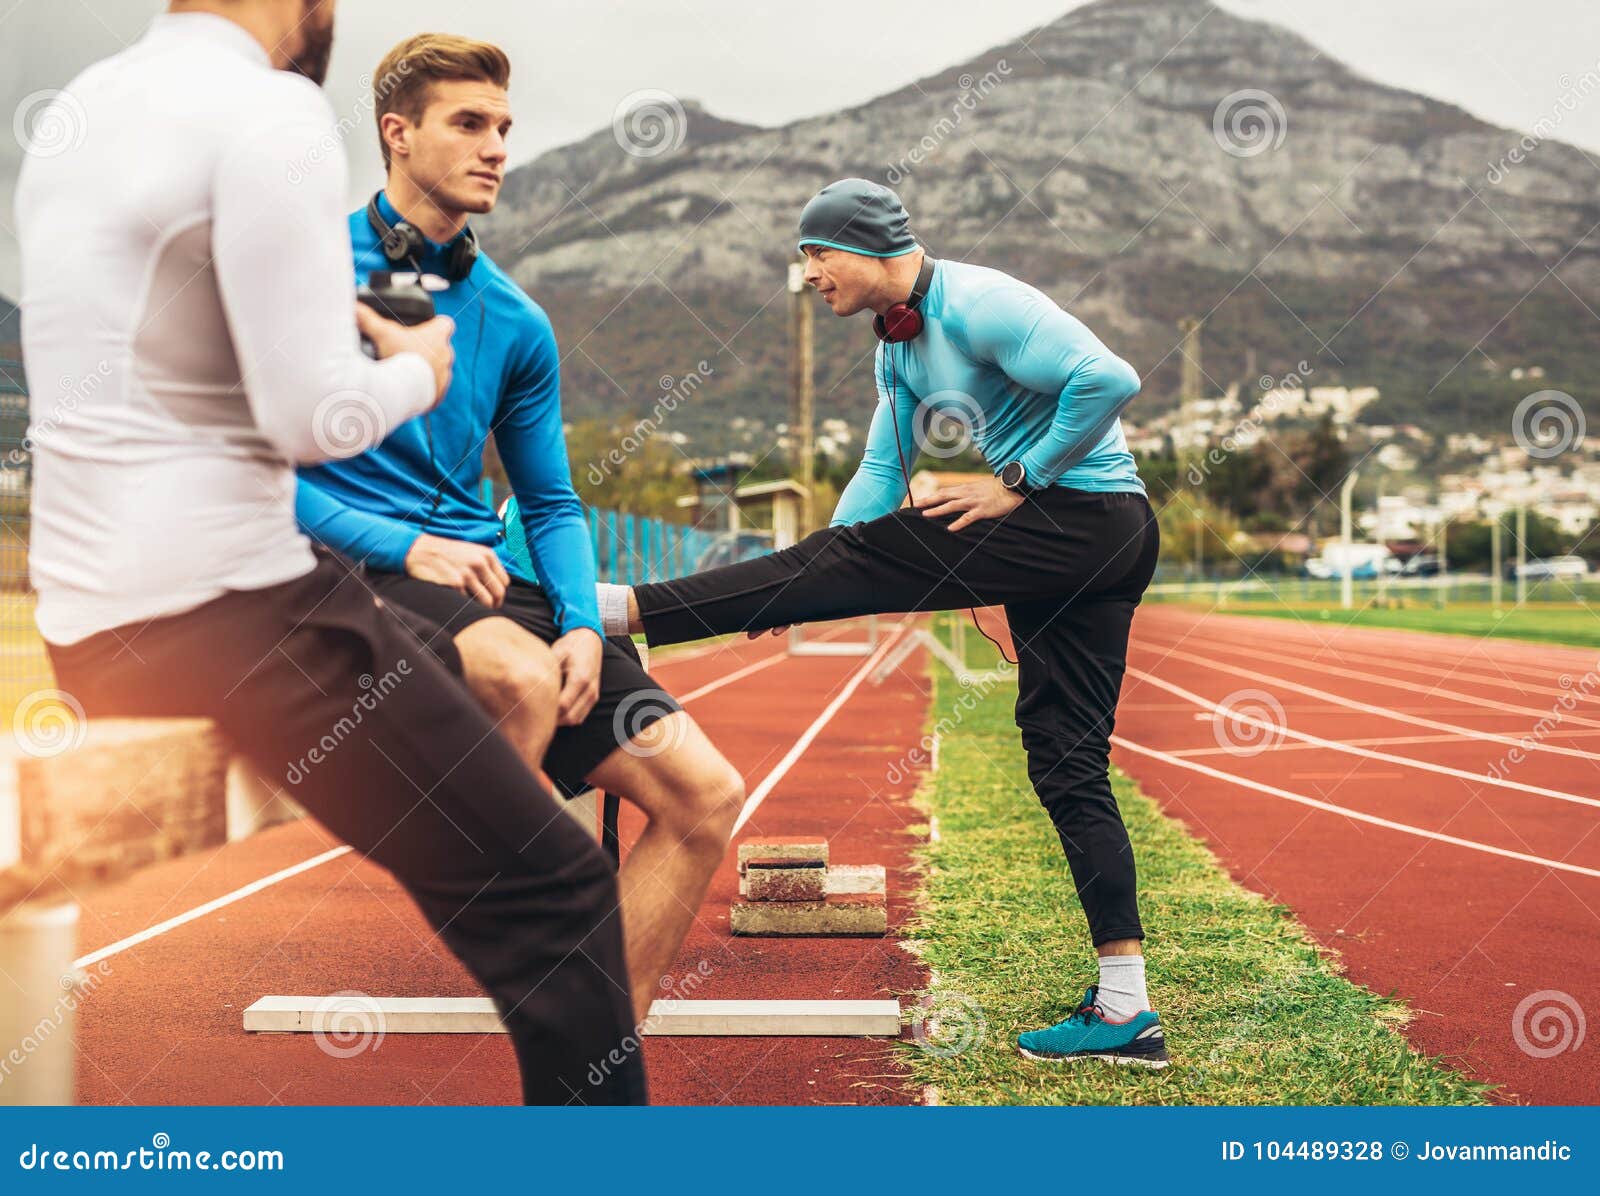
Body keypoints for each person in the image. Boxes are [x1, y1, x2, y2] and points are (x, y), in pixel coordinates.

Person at [16, 0, 643, 1104]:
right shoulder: (272, 112)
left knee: (446, 667)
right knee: (560, 888)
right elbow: (315, 420)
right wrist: (420, 367)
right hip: (233, 620)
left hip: (83, 629)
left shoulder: (82, 107)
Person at [597, 179, 1168, 1068]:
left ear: (866, 246)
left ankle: (619, 610)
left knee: (872, 558)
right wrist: (803, 581)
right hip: (1073, 540)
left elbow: (1110, 380)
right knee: (1064, 759)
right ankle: (1128, 1011)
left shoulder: (981, 303)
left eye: (815, 254)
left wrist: (1015, 483)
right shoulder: (898, 349)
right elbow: (878, 475)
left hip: (1085, 521)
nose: (810, 273)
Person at [294, 33, 745, 1022]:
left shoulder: (514, 319)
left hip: (490, 585)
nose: (497, 145)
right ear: (396, 133)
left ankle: (587, 1058)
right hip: (347, 573)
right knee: (514, 674)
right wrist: (400, 544)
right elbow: (252, 474)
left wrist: (582, 618)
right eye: (468, 123)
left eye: (504, 126)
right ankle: (532, 908)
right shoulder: (303, 272)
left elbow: (548, 502)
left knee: (704, 794)